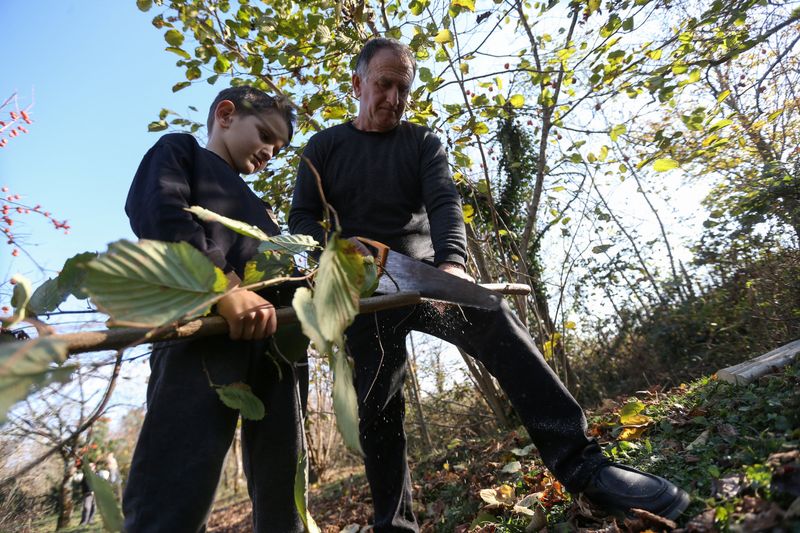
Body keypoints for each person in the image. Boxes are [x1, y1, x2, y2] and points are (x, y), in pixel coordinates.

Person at [289, 38, 691, 532]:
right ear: (357, 84)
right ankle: (395, 525)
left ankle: (586, 468)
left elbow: (443, 202)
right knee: (377, 405)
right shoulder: (324, 148)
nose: (394, 97)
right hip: (361, 293)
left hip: (424, 278)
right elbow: (303, 219)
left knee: (496, 321)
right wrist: (328, 265)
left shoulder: (422, 143)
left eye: (403, 88)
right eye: (384, 84)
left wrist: (452, 264)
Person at [123, 86, 308, 533]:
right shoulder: (181, 151)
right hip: (203, 339)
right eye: (265, 135)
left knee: (284, 478)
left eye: (278, 148)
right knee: (178, 479)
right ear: (226, 114)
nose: (269, 151)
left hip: (278, 350)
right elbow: (158, 212)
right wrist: (222, 289)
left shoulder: (262, 213)